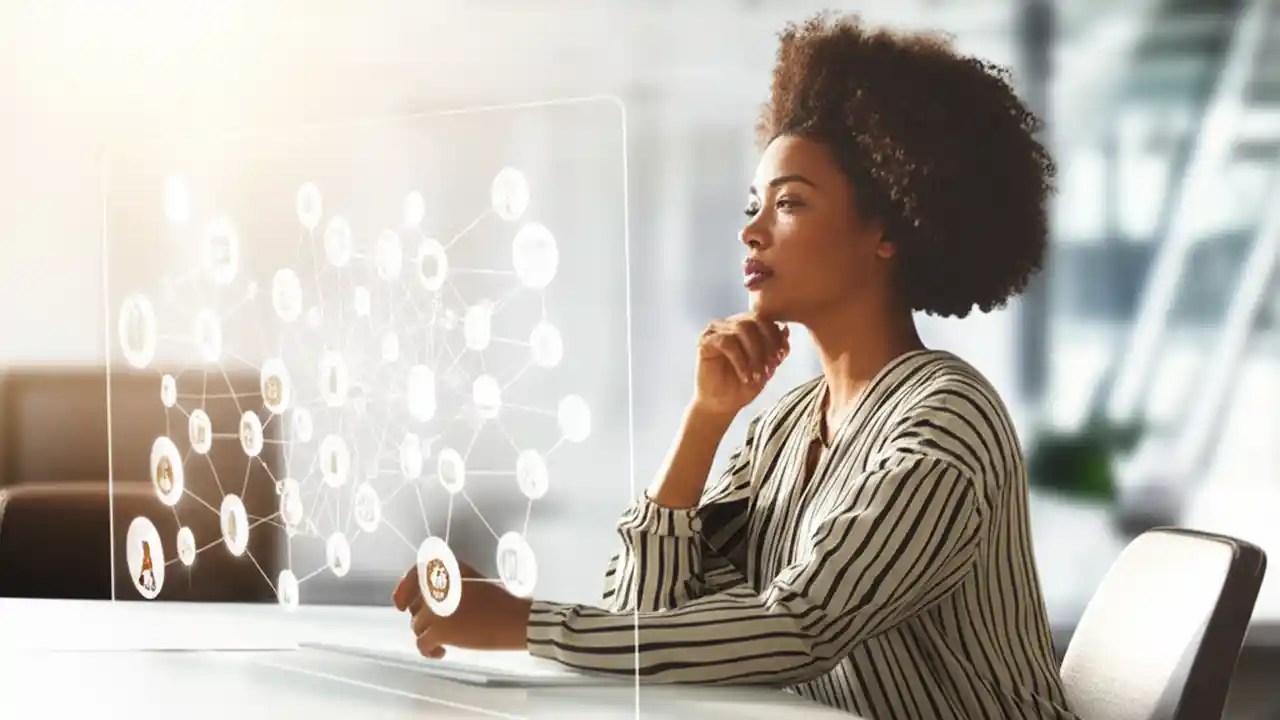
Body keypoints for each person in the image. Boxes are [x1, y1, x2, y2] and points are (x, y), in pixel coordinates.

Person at [393, 12, 1076, 718]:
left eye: (790, 204)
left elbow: (799, 630)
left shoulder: (943, 425)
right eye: (755, 205)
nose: (751, 230)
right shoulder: (786, 426)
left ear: (888, 229)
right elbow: (648, 609)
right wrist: (706, 420)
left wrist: (520, 623)